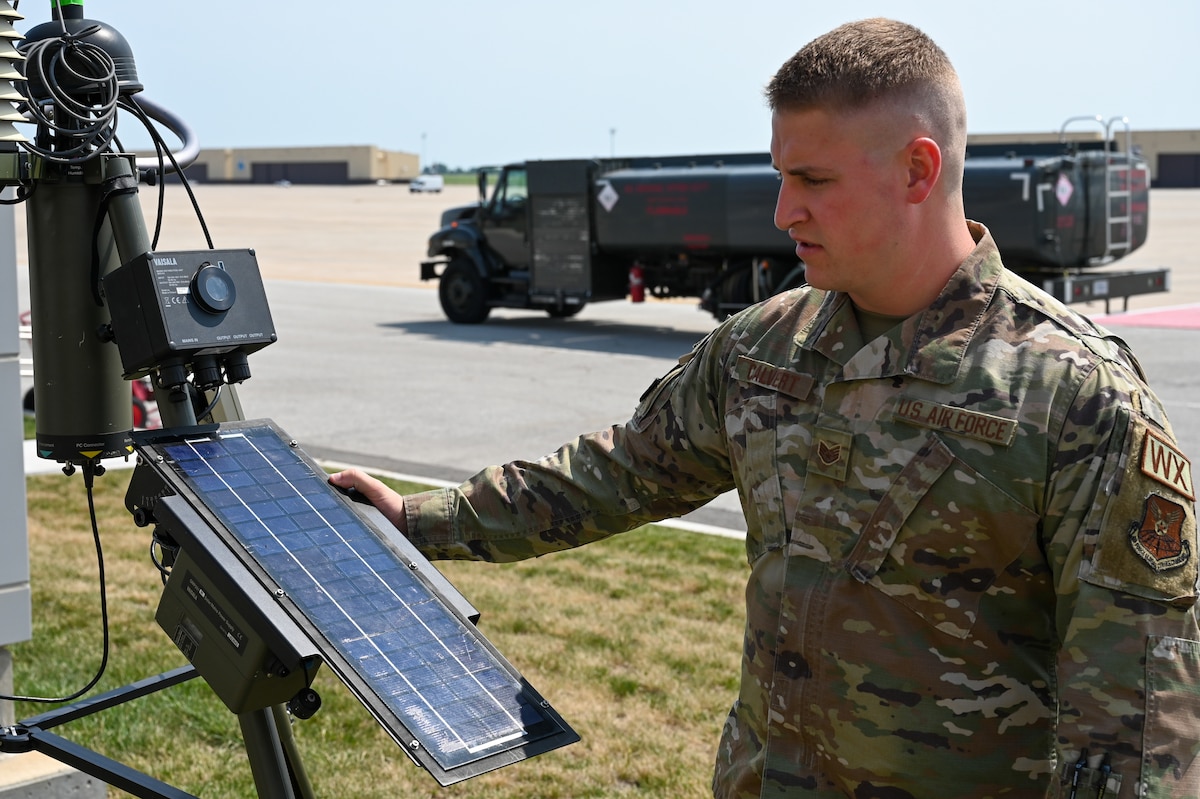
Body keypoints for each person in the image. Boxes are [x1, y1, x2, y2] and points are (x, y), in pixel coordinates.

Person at [332, 18, 1200, 798]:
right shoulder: (763, 349)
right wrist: (420, 519)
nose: (784, 211)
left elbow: (1136, 730)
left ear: (918, 169)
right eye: (782, 175)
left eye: (813, 179)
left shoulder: (1074, 399)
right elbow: (616, 474)